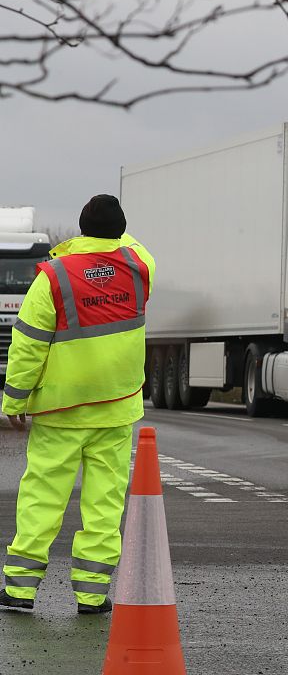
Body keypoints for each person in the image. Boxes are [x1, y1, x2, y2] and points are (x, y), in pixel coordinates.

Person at [2, 195, 155, 615]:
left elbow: (28, 344)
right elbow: (131, 245)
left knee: (42, 498)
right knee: (104, 503)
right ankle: (91, 594)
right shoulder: (140, 267)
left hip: (61, 410)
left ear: (81, 228)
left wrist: (15, 397)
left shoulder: (53, 276)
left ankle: (20, 590)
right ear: (120, 230)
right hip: (116, 407)